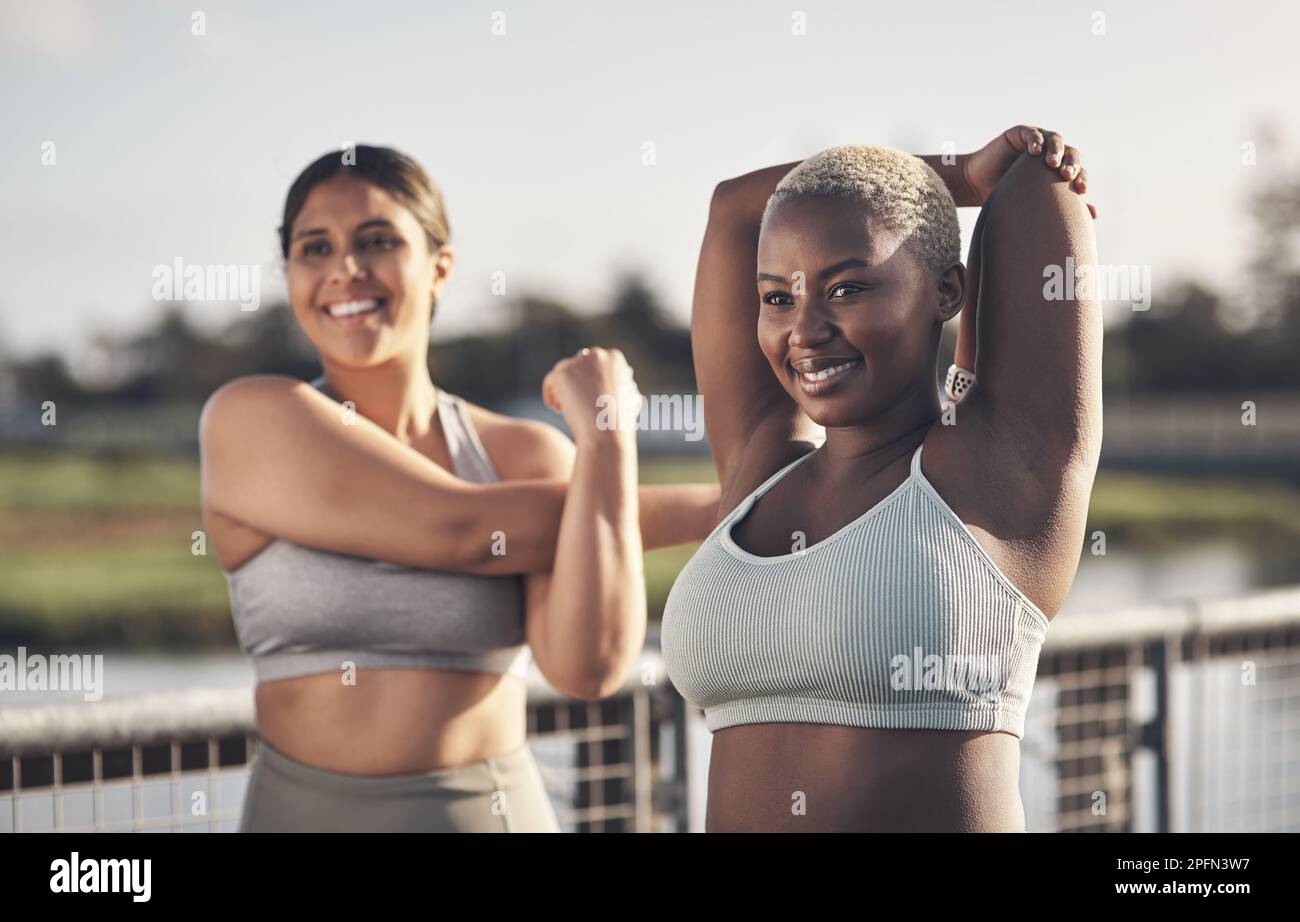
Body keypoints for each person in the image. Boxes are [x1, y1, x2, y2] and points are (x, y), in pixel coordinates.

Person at [198, 145, 719, 832]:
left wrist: (607, 434)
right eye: (313, 248)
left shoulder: (523, 452)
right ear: (290, 272)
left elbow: (589, 667)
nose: (344, 270)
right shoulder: (252, 419)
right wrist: (728, 503)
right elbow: (462, 529)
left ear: (440, 266)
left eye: (377, 241)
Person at [661, 126, 1101, 831]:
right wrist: (955, 174)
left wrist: (982, 178)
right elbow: (736, 208)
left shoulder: (991, 471)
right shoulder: (761, 471)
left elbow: (1034, 186)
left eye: (847, 288)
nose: (803, 330)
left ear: (947, 288)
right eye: (778, 298)